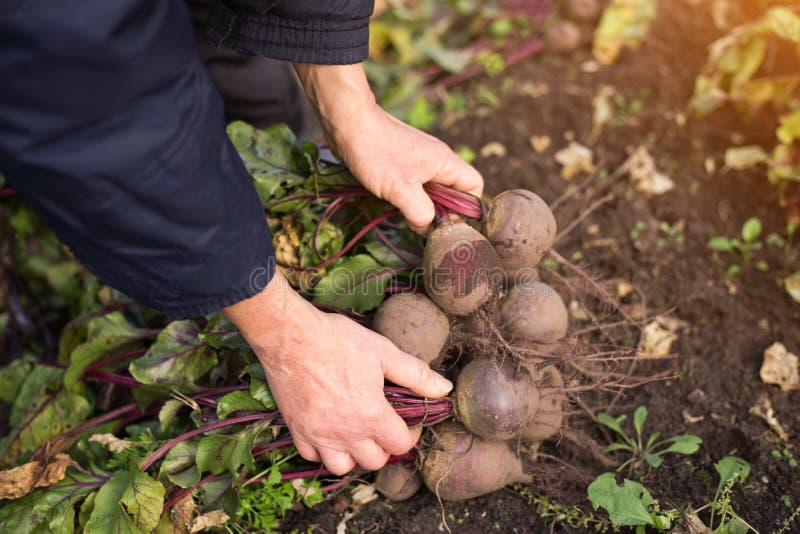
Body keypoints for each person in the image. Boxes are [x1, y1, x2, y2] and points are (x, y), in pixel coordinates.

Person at [0, 1, 483, 475]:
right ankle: (197, 279)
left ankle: (225, 234)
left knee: (251, 91)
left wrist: (346, 100)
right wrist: (284, 334)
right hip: (58, 56)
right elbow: (105, 122)